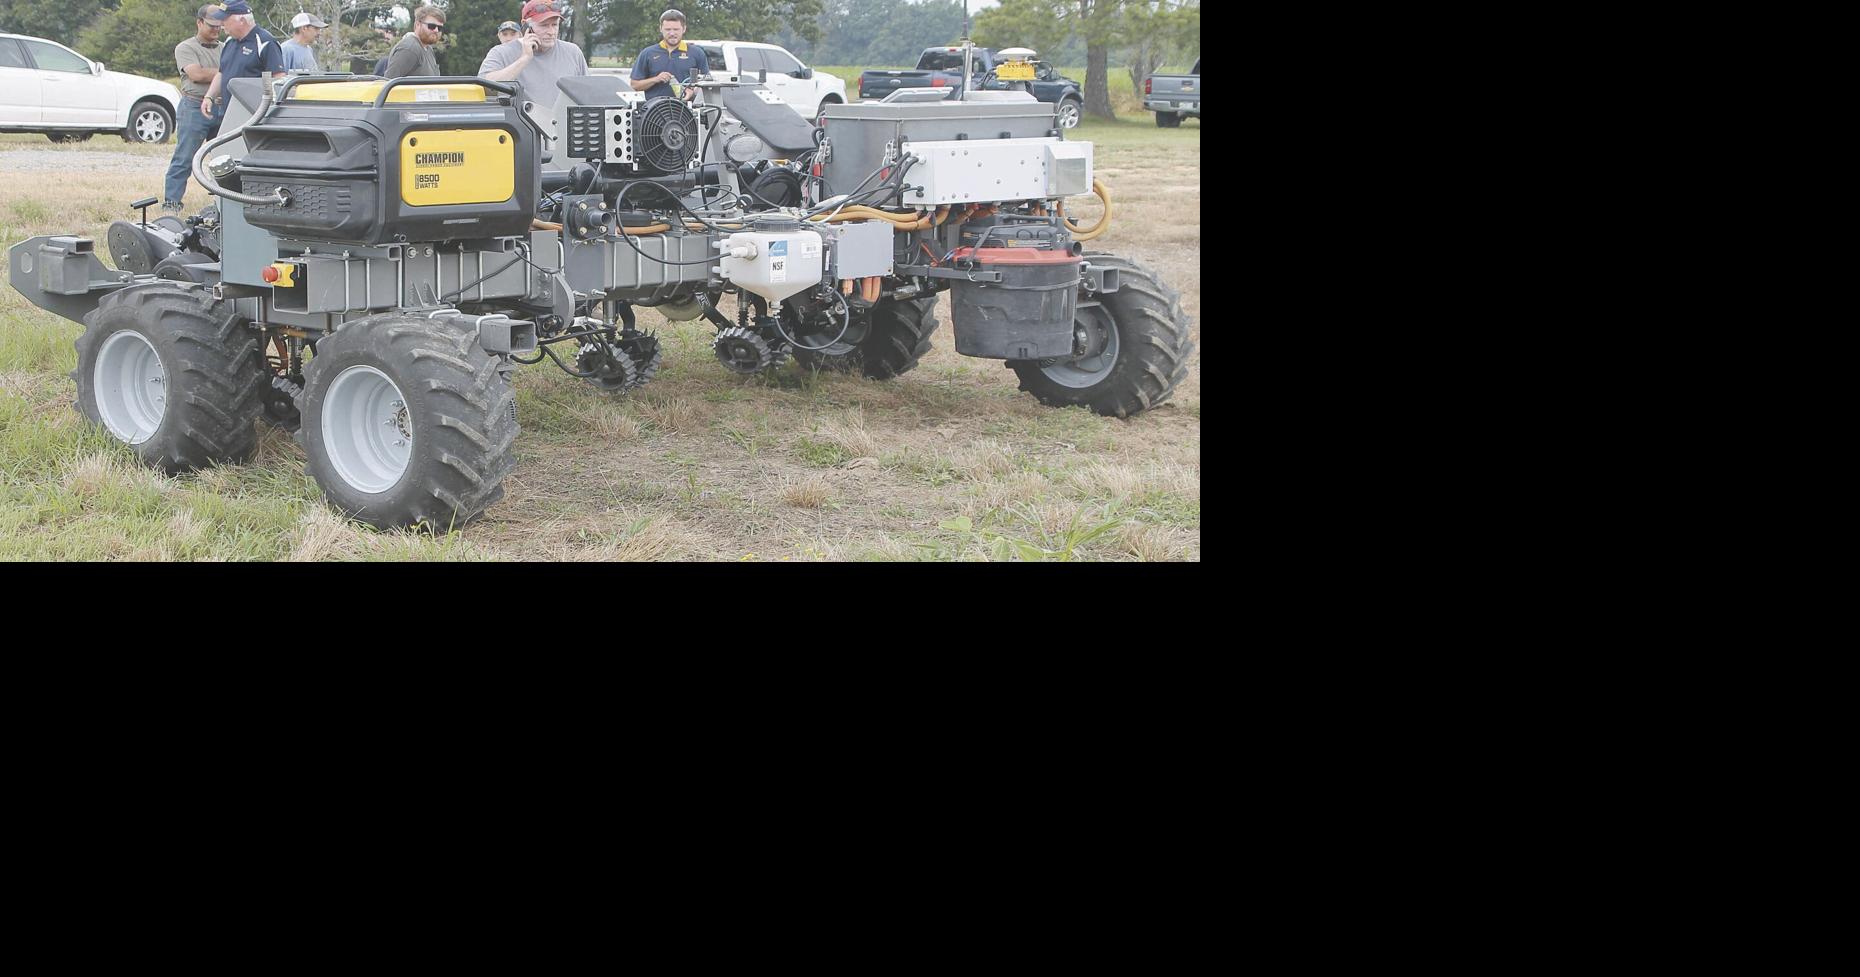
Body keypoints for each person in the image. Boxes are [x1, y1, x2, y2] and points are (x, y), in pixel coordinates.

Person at [162, 5, 224, 214]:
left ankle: (223, 203)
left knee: (224, 159)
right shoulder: (185, 47)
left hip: (222, 107)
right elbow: (196, 75)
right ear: (199, 22)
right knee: (184, 157)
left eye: (219, 26)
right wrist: (224, 71)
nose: (216, 30)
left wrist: (217, 73)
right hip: (194, 107)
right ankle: (172, 203)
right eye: (212, 25)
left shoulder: (225, 47)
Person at [478, 1, 588, 113]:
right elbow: (484, 87)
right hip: (520, 124)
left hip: (563, 122)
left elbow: (587, 94)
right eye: (544, 25)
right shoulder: (501, 52)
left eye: (555, 25)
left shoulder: (573, 52)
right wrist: (524, 58)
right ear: (526, 25)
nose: (551, 32)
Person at [199, 2, 285, 123]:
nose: (221, 24)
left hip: (252, 115)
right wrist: (209, 97)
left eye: (225, 19)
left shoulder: (265, 42)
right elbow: (222, 72)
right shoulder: (229, 42)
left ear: (242, 20)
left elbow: (279, 79)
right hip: (227, 112)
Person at [631, 9, 708, 101]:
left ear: (684, 29)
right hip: (655, 108)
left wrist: (693, 91)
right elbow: (635, 85)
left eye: (676, 29)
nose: (672, 33)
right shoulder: (647, 53)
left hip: (687, 108)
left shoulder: (697, 53)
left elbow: (706, 84)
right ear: (661, 29)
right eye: (668, 29)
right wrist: (656, 79)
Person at [382, 5, 445, 79]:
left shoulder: (428, 49)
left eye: (439, 28)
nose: (436, 30)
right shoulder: (409, 49)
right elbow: (389, 82)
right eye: (431, 26)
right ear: (418, 24)